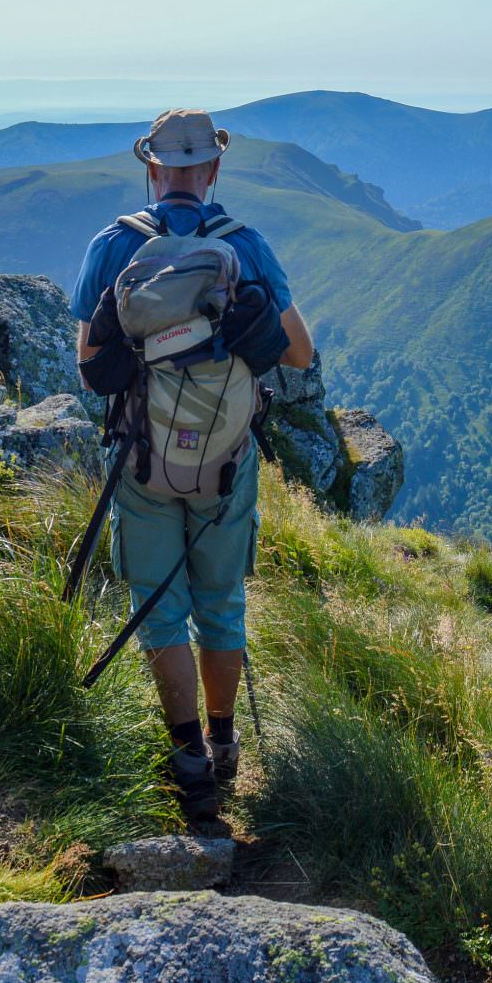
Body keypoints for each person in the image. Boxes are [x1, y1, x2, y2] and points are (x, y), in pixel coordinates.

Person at [69, 108, 313, 825]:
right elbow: (298, 354)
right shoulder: (245, 245)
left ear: (152, 169)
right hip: (226, 464)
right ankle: (227, 742)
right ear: (213, 170)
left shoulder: (115, 246)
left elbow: (92, 372)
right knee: (222, 604)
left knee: (157, 604)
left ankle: (188, 762)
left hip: (143, 461)